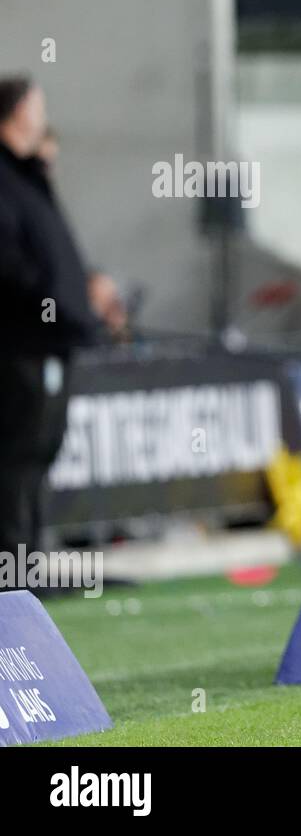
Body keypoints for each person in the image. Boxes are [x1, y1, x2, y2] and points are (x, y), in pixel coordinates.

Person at [0, 77, 97, 584]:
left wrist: (84, 297)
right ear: (17, 115)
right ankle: (11, 583)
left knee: (37, 458)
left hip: (50, 343)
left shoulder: (29, 179)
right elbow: (13, 267)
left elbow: (52, 259)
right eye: (37, 109)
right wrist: (56, 303)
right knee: (16, 463)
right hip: (20, 348)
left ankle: (27, 572)